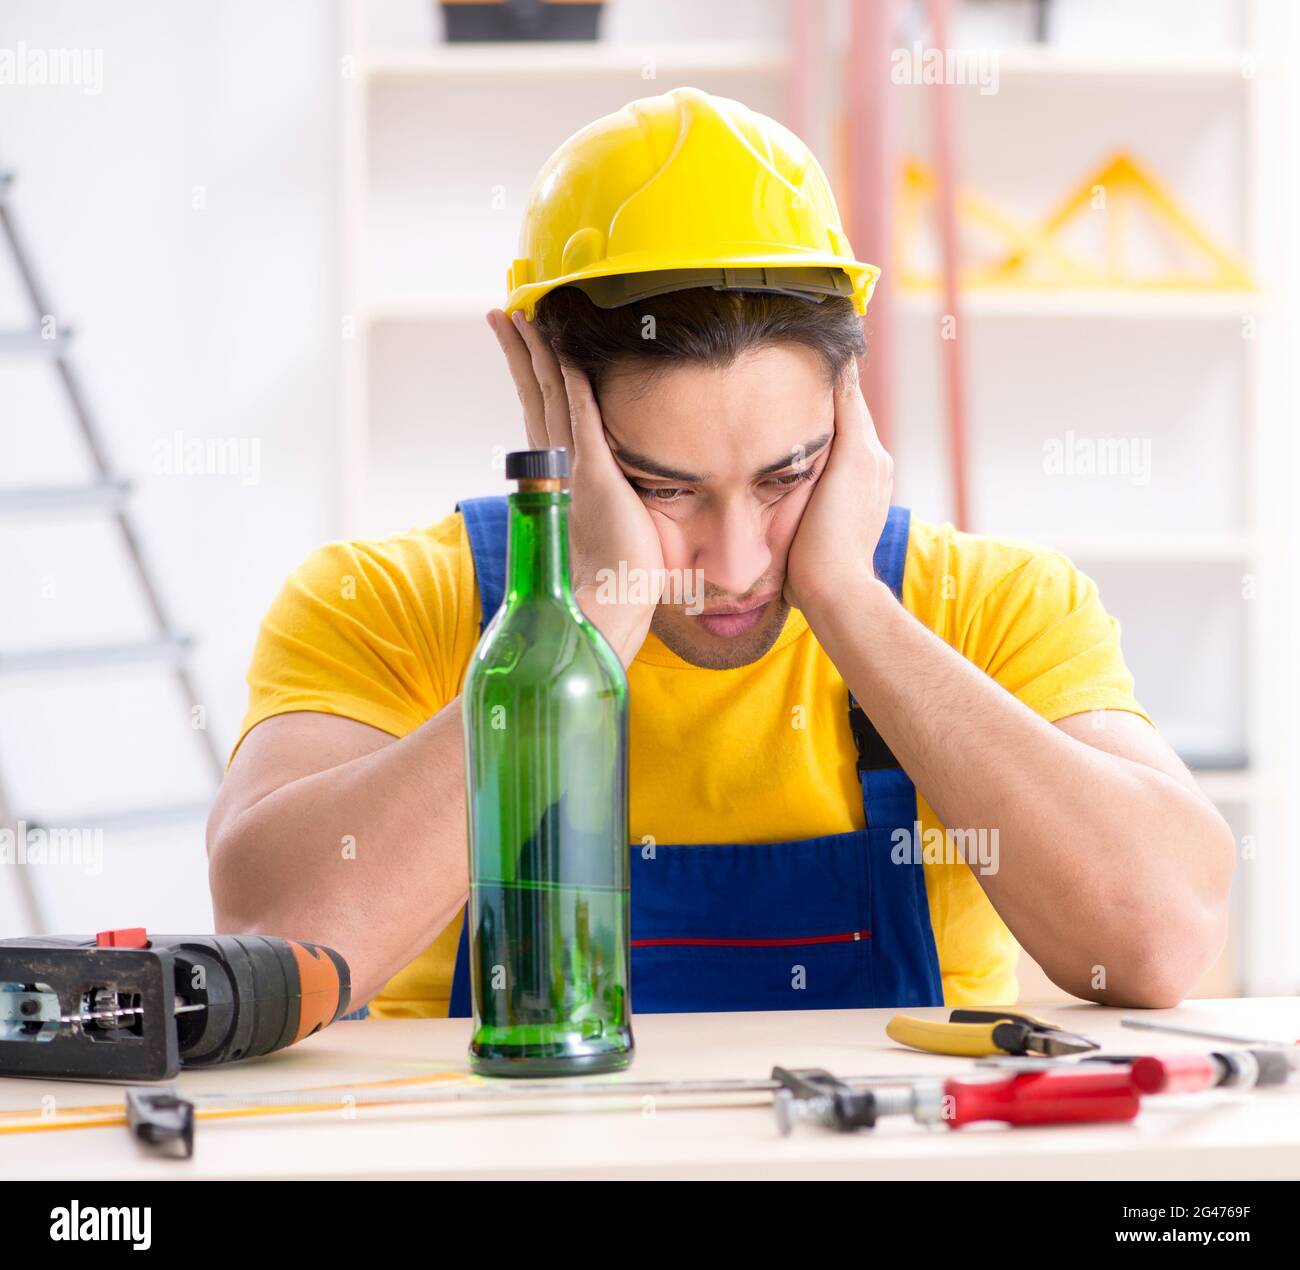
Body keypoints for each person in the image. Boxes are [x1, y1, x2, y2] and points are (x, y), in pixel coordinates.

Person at [208, 88, 1234, 1017]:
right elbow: (279, 945)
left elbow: (1155, 945)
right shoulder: (389, 603)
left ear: (851, 401)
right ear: (547, 402)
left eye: (787, 478)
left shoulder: (984, 605)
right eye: (662, 489)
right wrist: (580, 623)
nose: (736, 562)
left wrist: (854, 606)